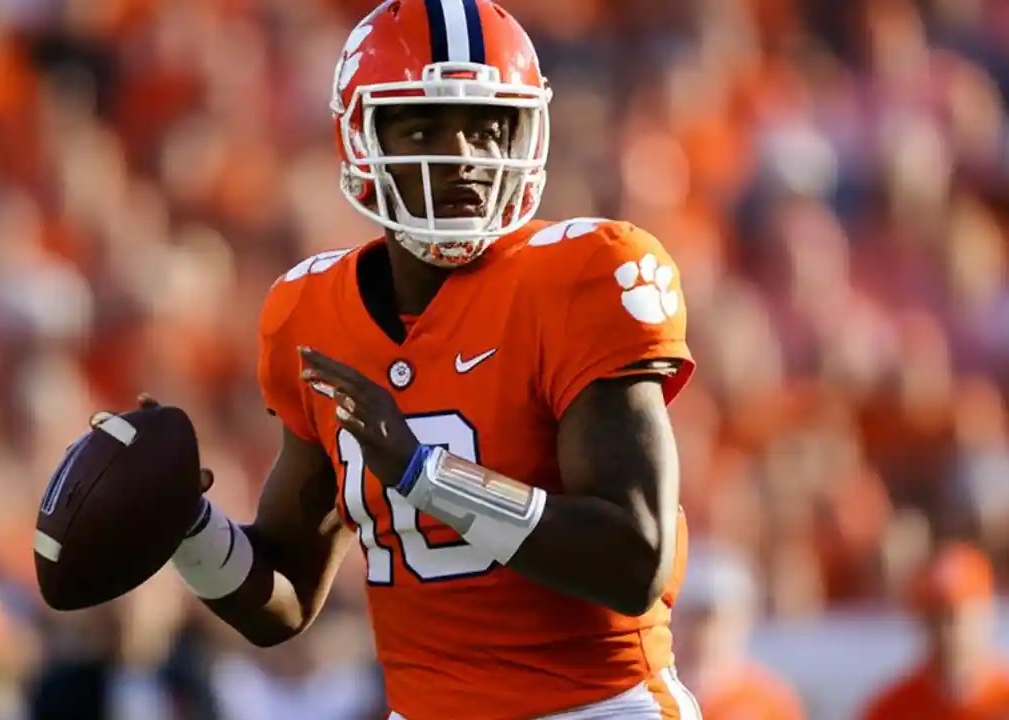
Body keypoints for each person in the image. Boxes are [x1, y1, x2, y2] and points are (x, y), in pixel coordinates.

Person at [161, 1, 698, 718]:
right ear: (362, 137)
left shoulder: (586, 274)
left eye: (487, 126)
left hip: (600, 707)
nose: (466, 156)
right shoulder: (309, 309)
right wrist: (185, 530)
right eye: (425, 128)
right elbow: (282, 600)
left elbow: (635, 558)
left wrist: (427, 477)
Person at [860, 542, 1009, 720]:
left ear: (986, 614)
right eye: (932, 617)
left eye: (954, 616)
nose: (945, 632)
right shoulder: (892, 709)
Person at [673, 543, 804, 720]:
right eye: (693, 620)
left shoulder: (768, 699)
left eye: (717, 621)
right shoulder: (649, 696)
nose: (705, 635)